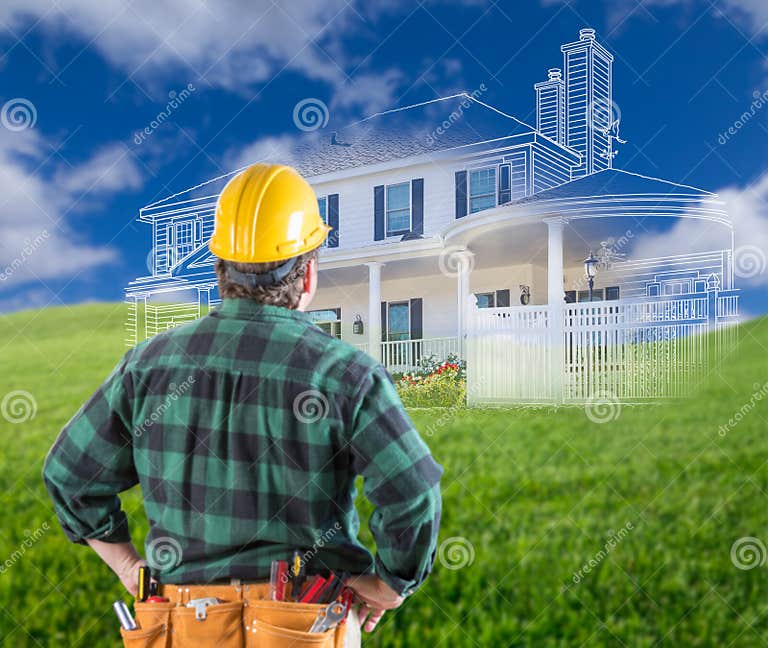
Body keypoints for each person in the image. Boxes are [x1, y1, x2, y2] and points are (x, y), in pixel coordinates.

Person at [43, 163, 443, 646]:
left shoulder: (147, 367)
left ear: (220, 268)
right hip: (306, 623)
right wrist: (390, 583)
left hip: (181, 623)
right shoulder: (345, 375)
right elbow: (413, 490)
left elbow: (70, 476)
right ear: (309, 272)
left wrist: (130, 567)